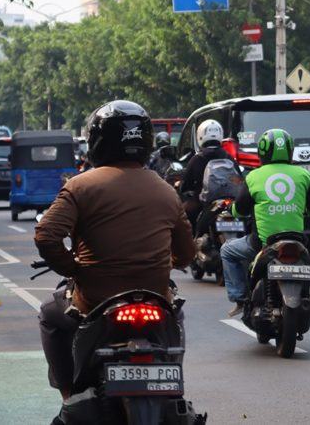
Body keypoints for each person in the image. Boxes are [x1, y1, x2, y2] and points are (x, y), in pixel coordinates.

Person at [34, 100, 195, 400]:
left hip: (94, 299)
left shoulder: (80, 186)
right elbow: (187, 254)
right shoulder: (165, 190)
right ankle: (171, 382)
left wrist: (73, 268)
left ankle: (68, 395)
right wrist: (161, 261)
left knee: (48, 313)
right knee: (177, 315)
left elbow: (46, 236)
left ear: (97, 142)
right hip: (156, 296)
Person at [220, 128, 310, 317]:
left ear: (262, 152)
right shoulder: (305, 175)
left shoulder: (253, 177)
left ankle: (240, 298)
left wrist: (231, 209)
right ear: (290, 151)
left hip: (261, 244)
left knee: (227, 250)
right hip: (298, 243)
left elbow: (240, 210)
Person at [179, 119, 231, 226]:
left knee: (181, 215)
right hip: (228, 202)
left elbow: (185, 184)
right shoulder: (228, 157)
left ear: (200, 136)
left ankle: (193, 235)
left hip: (202, 203)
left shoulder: (197, 159)